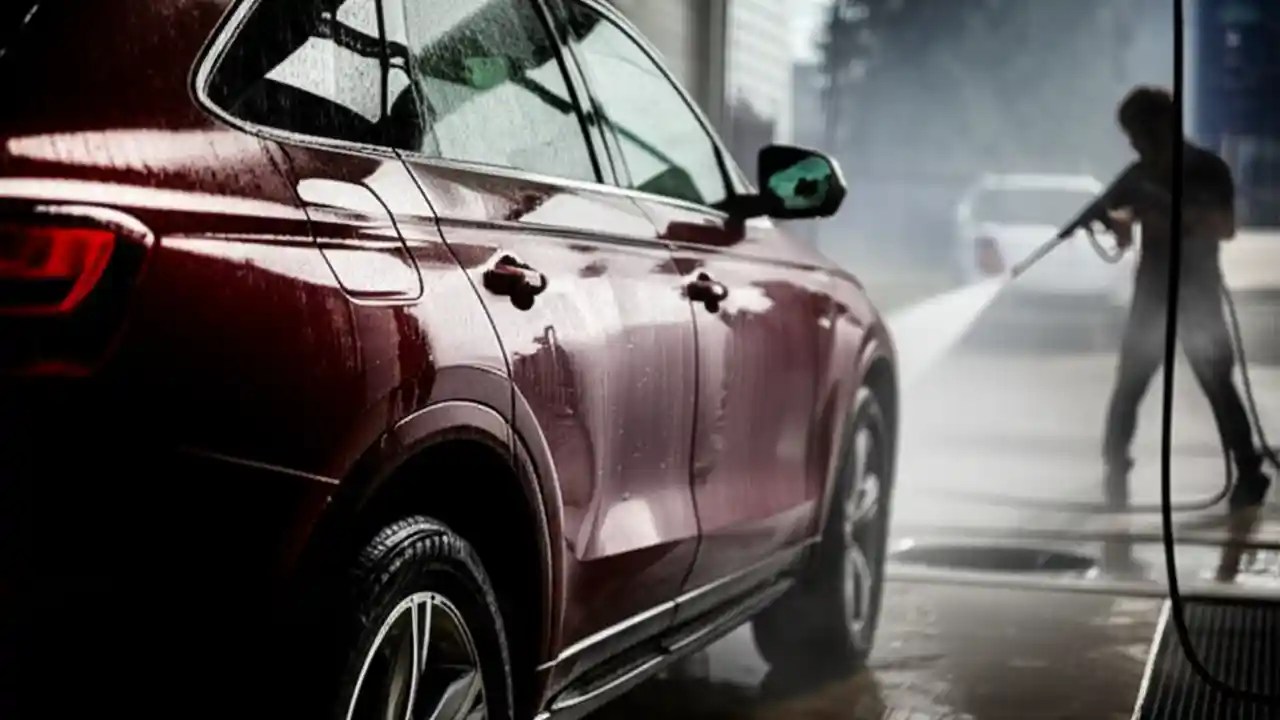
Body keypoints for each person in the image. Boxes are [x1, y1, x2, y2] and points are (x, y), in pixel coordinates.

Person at [1093, 86, 1270, 511]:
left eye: (1140, 133)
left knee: (1217, 384)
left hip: (1199, 294)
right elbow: (1111, 206)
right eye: (1131, 136)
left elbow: (1225, 227)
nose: (1135, 144)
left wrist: (1170, 213)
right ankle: (1115, 468)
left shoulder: (1207, 169)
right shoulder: (1140, 174)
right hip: (1151, 294)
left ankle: (1249, 472)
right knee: (1130, 383)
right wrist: (1120, 218)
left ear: (1163, 127)